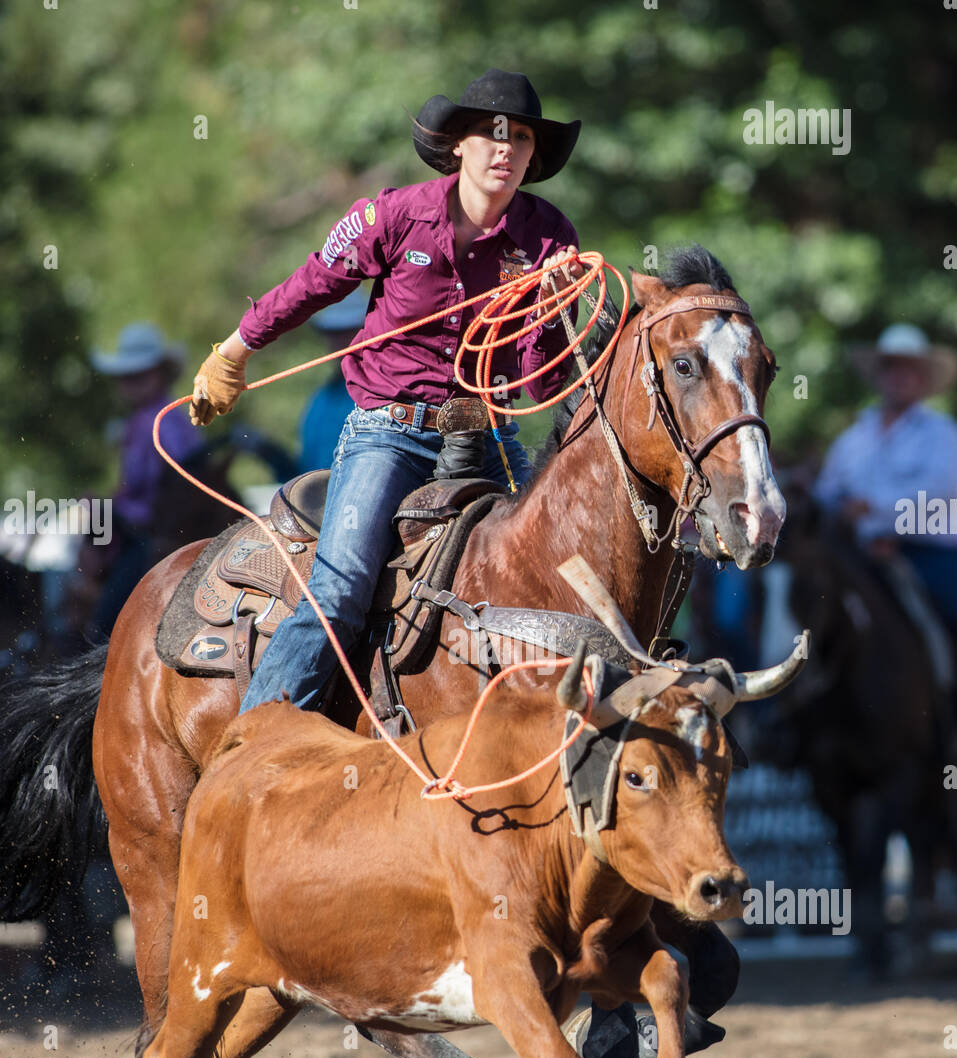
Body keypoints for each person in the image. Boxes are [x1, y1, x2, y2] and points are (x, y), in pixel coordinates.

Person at [187, 69, 587, 713]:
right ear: (458, 144)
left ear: (534, 156)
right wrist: (234, 351)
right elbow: (311, 285)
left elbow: (539, 384)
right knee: (341, 588)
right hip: (388, 433)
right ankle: (256, 739)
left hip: (488, 434)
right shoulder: (394, 214)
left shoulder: (550, 239)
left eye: (521, 139)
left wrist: (548, 303)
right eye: (491, 132)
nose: (506, 148)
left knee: (560, 578)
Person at [815, 323, 957, 748]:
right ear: (880, 375)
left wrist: (874, 513)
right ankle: (802, 719)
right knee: (809, 605)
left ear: (922, 379)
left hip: (925, 551)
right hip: (857, 552)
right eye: (891, 369)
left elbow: (935, 494)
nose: (899, 377)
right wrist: (847, 513)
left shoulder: (943, 434)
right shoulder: (854, 436)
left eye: (908, 370)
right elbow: (829, 490)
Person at [89, 323, 204, 636]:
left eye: (140, 374)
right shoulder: (150, 420)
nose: (132, 383)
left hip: (153, 535)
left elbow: (171, 492)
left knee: (105, 619)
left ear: (161, 373)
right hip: (140, 528)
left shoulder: (166, 423)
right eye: (127, 376)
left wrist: (108, 507)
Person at [299, 289, 369, 473]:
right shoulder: (321, 400)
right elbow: (303, 470)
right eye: (332, 333)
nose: (338, 342)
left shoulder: (383, 393)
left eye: (346, 331)